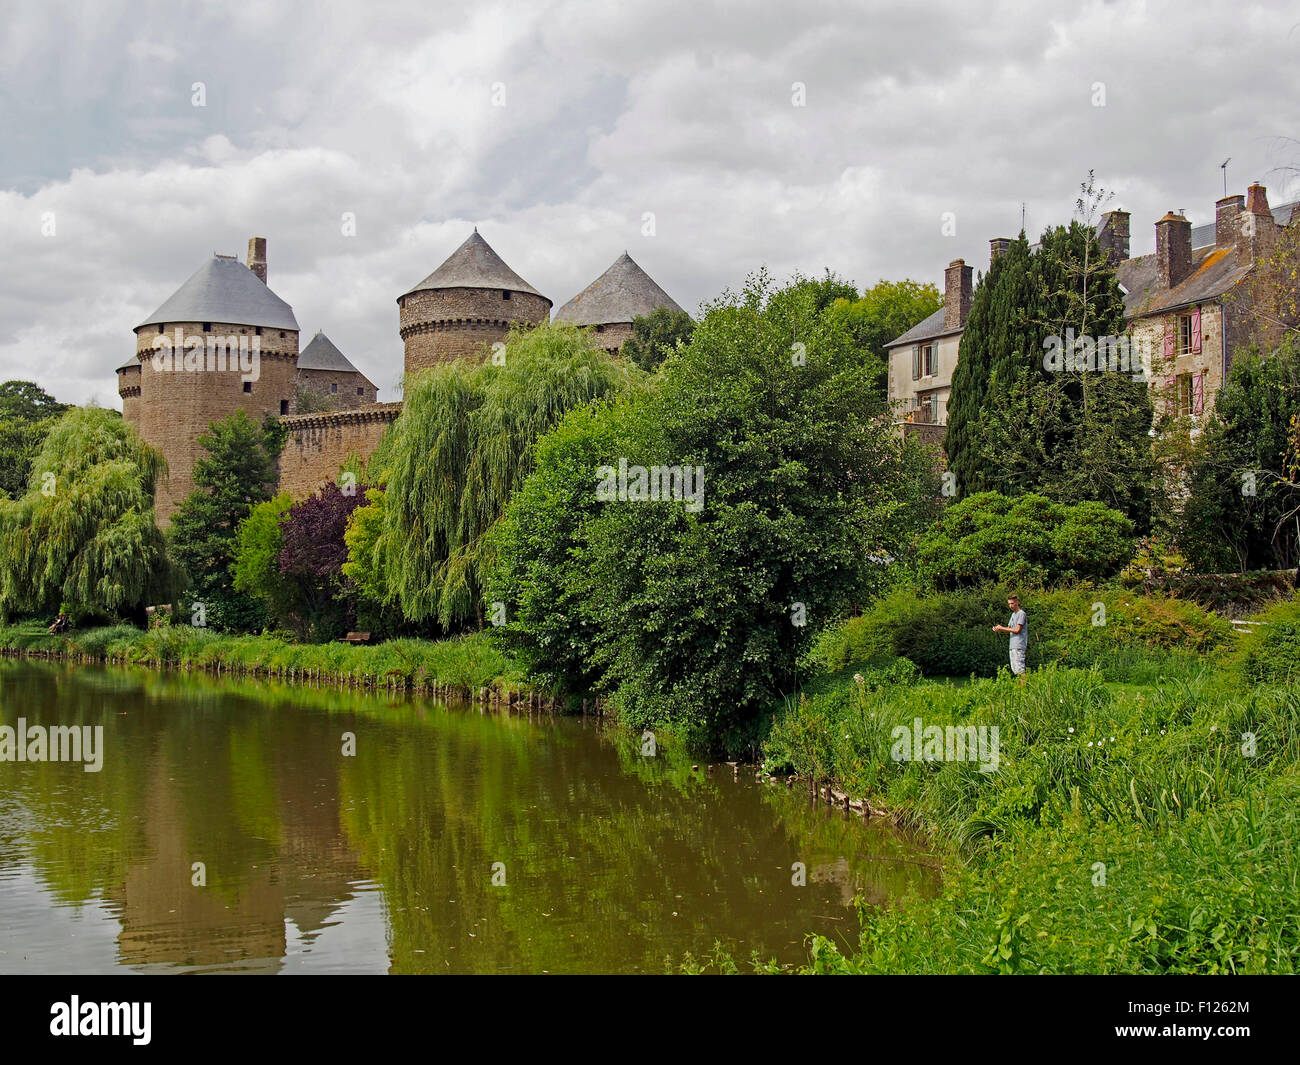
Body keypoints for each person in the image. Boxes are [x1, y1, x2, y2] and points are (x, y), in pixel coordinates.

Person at [992, 594, 1028, 681]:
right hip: (1012, 646)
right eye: (1009, 604)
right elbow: (1009, 629)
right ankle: (1020, 689)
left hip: (1019, 645)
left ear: (1017, 603)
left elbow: (1017, 630)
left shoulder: (1021, 614)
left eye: (1012, 603)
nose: (1010, 606)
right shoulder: (1013, 615)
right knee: (1015, 669)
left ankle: (1024, 690)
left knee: (1020, 669)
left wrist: (1001, 627)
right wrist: (998, 629)